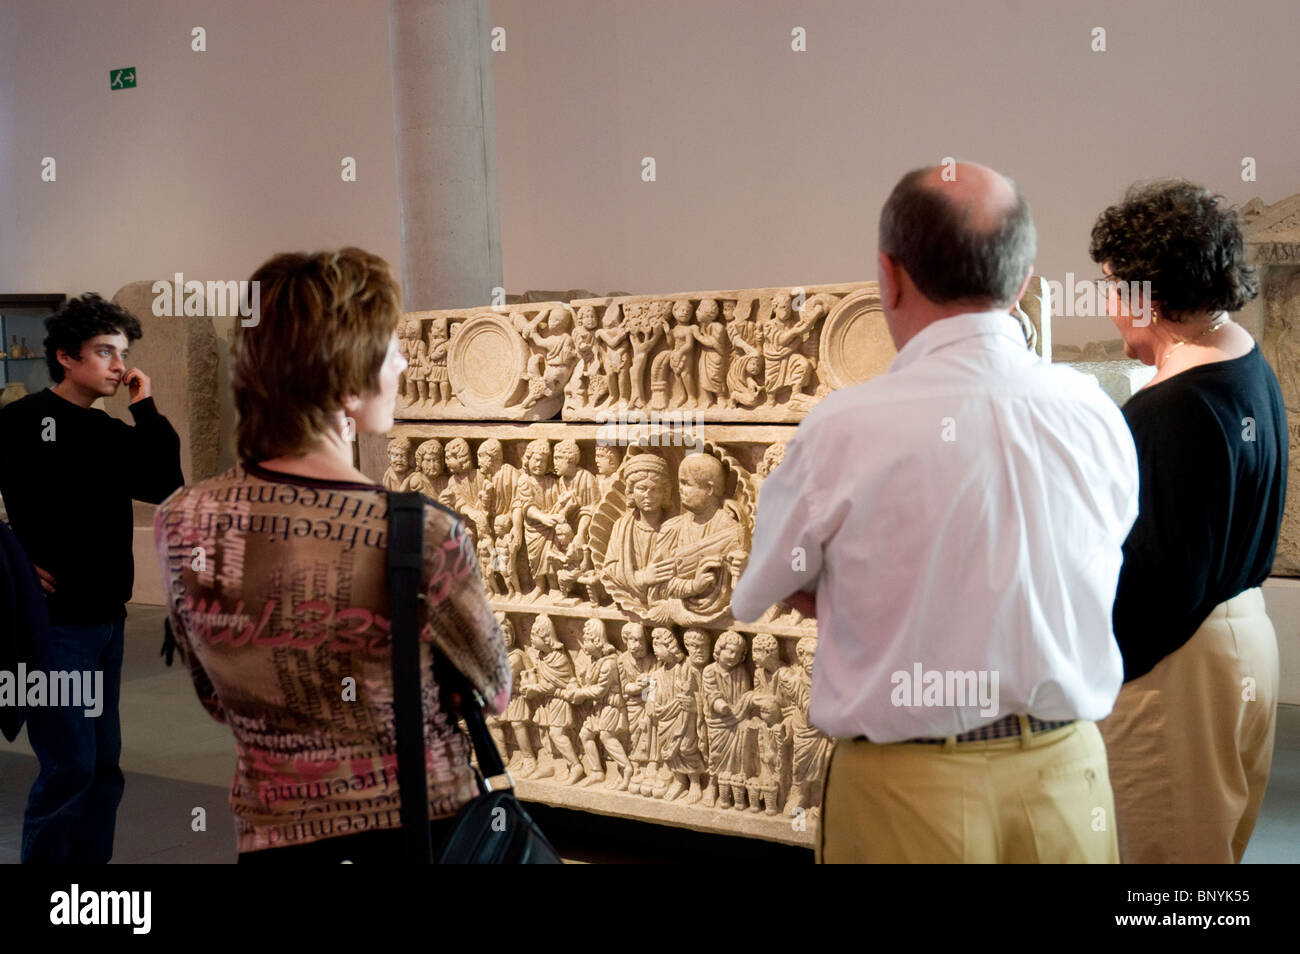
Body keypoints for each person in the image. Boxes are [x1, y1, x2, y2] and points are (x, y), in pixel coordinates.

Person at [732, 162, 1140, 864]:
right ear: (1022, 282)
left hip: (906, 793)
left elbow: (763, 589)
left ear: (888, 275)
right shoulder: (1094, 412)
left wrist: (865, 589)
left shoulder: (843, 428)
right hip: (1064, 778)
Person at [152, 248, 510, 863]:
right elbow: (492, 691)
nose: (402, 360)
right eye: (389, 345)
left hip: (276, 834)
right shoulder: (421, 533)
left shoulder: (181, 520)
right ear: (347, 381)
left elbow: (215, 695)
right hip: (421, 832)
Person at [1091, 181, 1286, 863]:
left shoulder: (1171, 408)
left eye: (1113, 289)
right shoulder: (1246, 361)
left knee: (1164, 875)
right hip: (1242, 639)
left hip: (1180, 669)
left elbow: (1158, 583)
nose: (1111, 309)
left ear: (1149, 296)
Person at [0, 293, 183, 863]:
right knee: (70, 765)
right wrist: (10, 560)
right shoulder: (20, 422)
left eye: (122, 354)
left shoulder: (109, 434)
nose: (118, 366)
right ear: (65, 357)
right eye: (104, 352)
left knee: (102, 767)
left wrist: (145, 408)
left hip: (106, 623)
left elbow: (163, 485)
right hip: (53, 626)